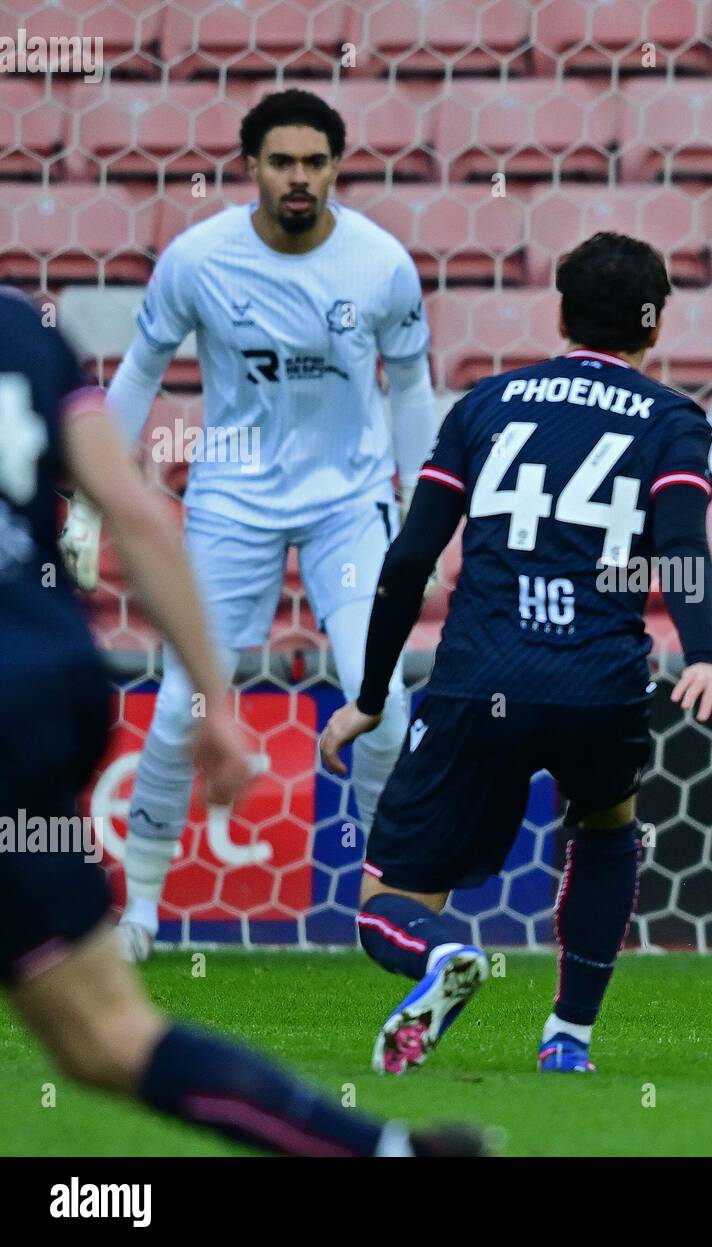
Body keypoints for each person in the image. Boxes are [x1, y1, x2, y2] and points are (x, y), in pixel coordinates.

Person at [0, 289, 480, 1156]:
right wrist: (217, 702)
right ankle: (387, 1150)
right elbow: (137, 509)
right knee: (104, 1035)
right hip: (40, 687)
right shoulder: (18, 331)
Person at [320, 232, 712, 1074]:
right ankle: (569, 1038)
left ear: (560, 312)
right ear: (655, 325)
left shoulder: (484, 406)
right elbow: (680, 542)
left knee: (388, 901)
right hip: (599, 684)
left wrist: (374, 693)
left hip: (479, 676)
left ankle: (438, 957)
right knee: (606, 826)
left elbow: (411, 558)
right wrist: (702, 654)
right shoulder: (674, 420)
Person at [58, 88, 436, 961]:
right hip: (231, 502)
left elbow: (413, 386)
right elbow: (139, 375)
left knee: (379, 699)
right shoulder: (199, 259)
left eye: (314, 162)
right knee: (184, 704)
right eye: (281, 161)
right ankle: (141, 911)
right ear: (253, 166)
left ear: (336, 167)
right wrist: (89, 496)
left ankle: (386, 902)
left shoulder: (380, 264)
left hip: (350, 503)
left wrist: (425, 497)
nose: (298, 178)